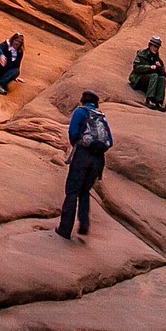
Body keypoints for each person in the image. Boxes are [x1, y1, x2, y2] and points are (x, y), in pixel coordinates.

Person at [56, 91, 113, 238]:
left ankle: (65, 229)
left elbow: (73, 132)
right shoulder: (101, 116)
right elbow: (110, 141)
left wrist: (79, 145)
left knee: (72, 191)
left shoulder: (80, 112)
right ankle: (84, 224)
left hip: (83, 156)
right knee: (84, 191)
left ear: (82, 101)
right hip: (98, 160)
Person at [129, 35, 166, 110]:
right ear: (150, 45)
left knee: (162, 78)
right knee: (154, 75)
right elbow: (136, 68)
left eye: (157, 47)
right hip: (139, 79)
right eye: (154, 46)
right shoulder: (142, 54)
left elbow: (164, 75)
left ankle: (159, 101)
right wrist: (150, 67)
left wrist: (160, 68)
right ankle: (149, 99)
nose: (155, 48)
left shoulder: (158, 60)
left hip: (151, 83)